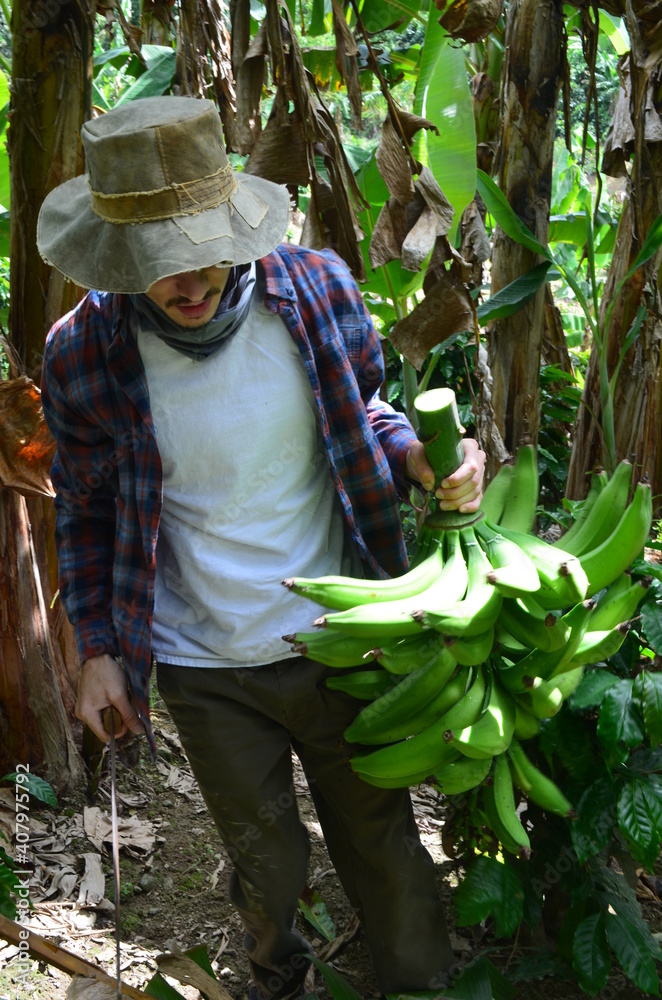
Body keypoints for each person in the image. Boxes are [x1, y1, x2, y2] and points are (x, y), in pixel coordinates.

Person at [38, 96, 485, 1000]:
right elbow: (83, 514)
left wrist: (415, 460)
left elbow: (363, 407)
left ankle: (423, 986)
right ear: (118, 257)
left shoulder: (314, 289)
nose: (188, 280)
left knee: (383, 844)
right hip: (206, 665)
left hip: (343, 632)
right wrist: (95, 653)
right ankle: (284, 983)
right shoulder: (84, 354)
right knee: (266, 865)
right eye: (159, 264)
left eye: (202, 248)